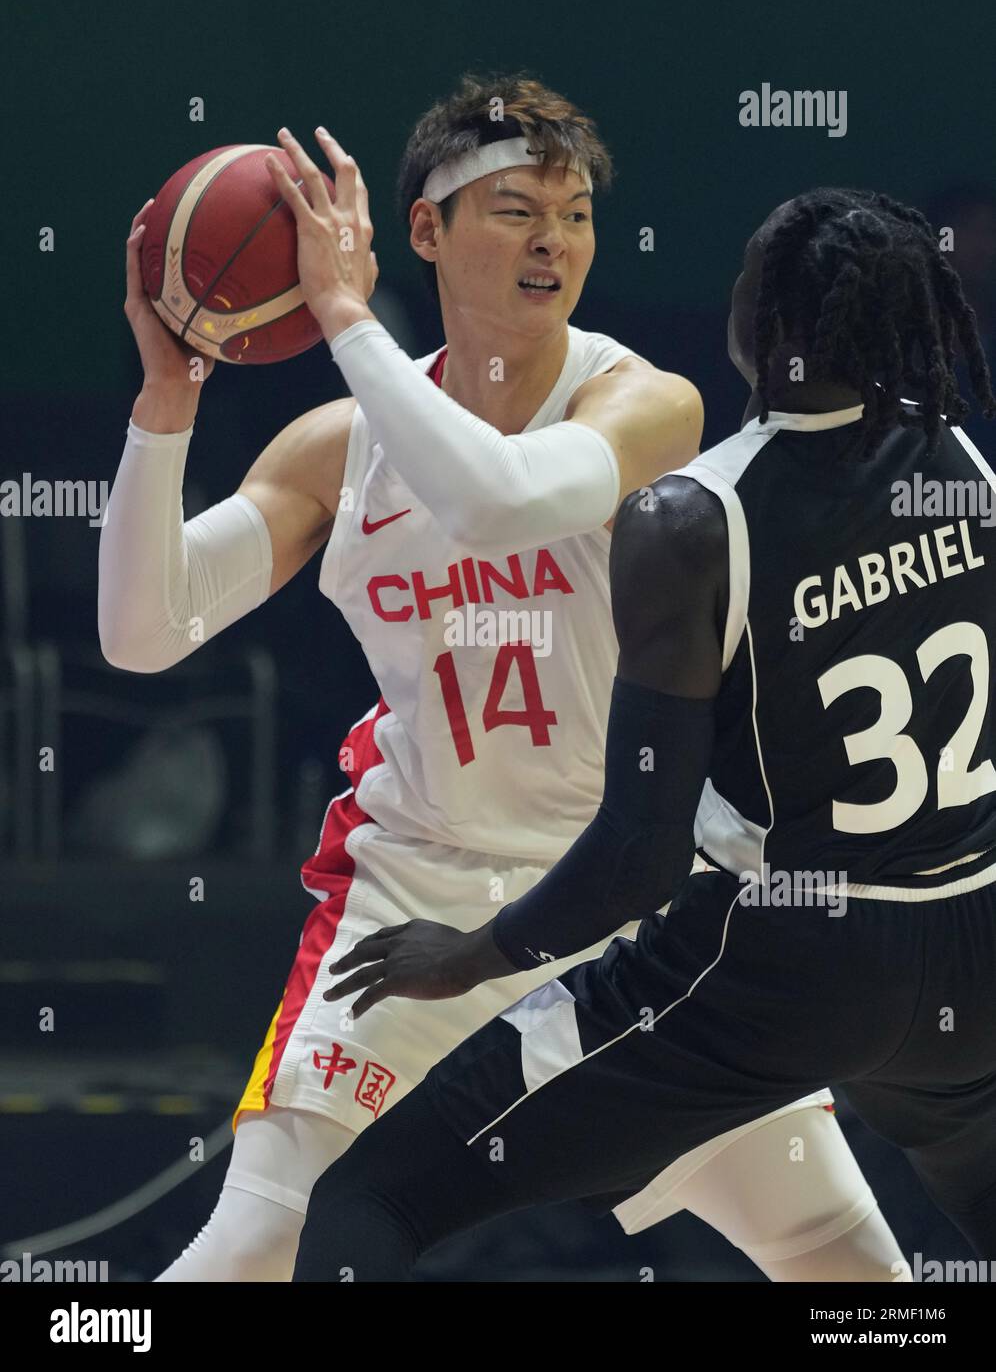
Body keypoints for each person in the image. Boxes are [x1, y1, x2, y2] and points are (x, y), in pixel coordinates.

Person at [100, 72, 899, 1282]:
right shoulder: (338, 450)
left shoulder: (646, 406)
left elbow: (502, 502)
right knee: (253, 1249)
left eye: (574, 214)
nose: (554, 240)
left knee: (847, 1265)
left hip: (628, 907)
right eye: (516, 207)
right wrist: (167, 404)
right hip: (409, 915)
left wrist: (347, 320)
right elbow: (142, 633)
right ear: (426, 229)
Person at [291, 187, 996, 1283]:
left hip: (785, 963)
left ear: (760, 322)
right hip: (972, 948)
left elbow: (640, 853)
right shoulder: (962, 465)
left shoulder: (693, 516)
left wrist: (471, 955)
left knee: (370, 1197)